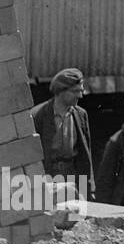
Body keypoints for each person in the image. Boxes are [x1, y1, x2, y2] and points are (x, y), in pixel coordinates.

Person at [30, 68, 95, 199]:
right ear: (60, 91)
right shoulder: (38, 115)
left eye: (81, 91)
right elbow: (32, 156)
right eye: (76, 91)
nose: (80, 96)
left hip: (74, 177)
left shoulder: (81, 114)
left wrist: (90, 187)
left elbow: (86, 154)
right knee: (51, 217)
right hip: (49, 177)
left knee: (76, 217)